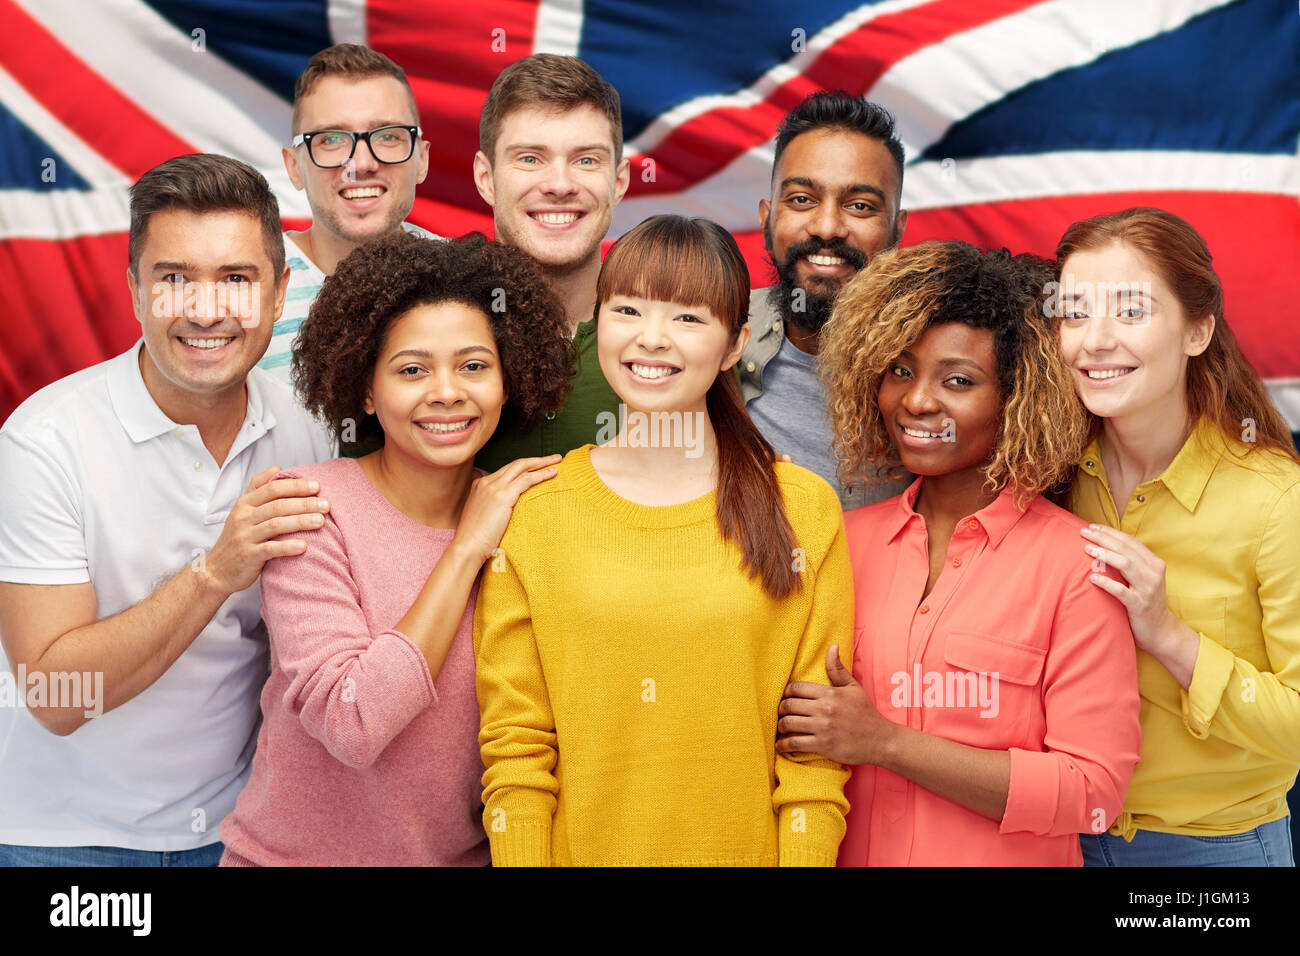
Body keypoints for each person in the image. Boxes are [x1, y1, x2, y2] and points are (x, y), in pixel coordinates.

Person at [474, 215, 852, 866]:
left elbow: (813, 759)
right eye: (628, 309)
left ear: (734, 344)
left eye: (688, 318)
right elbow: (517, 748)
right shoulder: (538, 513)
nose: (652, 339)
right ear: (599, 325)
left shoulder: (803, 509)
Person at [0, 154, 334, 866]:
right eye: (174, 278)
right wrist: (217, 570)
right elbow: (57, 697)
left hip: (234, 831)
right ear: (135, 292)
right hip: (58, 836)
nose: (205, 310)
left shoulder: (311, 430)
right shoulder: (44, 441)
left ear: (278, 296)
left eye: (236, 280)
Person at [780, 241, 1142, 866]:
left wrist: (886, 743)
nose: (917, 401)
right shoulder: (839, 542)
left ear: (1018, 398)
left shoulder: (1078, 568)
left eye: (958, 381)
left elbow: (1094, 792)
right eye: (899, 369)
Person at [219, 231, 571, 866]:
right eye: (412, 369)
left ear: (509, 378)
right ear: (363, 389)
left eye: (473, 365)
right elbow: (354, 723)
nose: (446, 392)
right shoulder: (311, 509)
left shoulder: (530, 521)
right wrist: (466, 551)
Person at [1056, 207, 1300, 866]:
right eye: (1074, 312)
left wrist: (1168, 634)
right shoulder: (1045, 476)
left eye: (1130, 312)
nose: (1095, 341)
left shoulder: (1276, 500)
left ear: (1198, 331)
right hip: (1058, 838)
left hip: (1213, 851)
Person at [742, 91, 913, 509]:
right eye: (802, 199)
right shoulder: (706, 335)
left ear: (897, 229)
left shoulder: (941, 362)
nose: (827, 226)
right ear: (767, 217)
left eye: (860, 206)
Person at [471, 53, 628, 470]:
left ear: (619, 181)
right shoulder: (418, 328)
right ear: (485, 178)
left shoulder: (682, 335)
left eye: (586, 160)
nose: (559, 185)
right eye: (529, 158)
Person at [258, 43, 442, 387]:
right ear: (294, 167)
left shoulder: (472, 283)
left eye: (387, 136)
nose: (361, 164)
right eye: (331, 140)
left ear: (422, 159)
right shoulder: (243, 292)